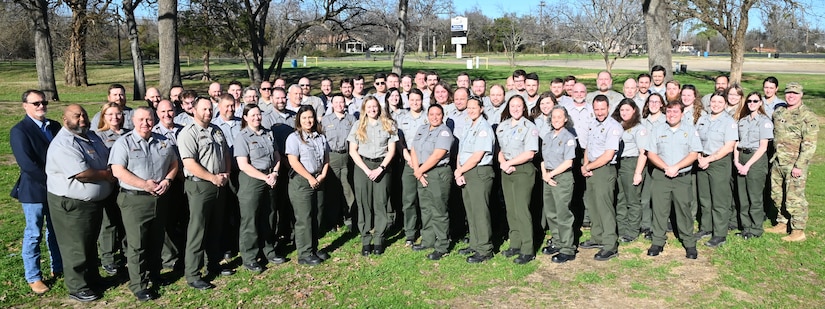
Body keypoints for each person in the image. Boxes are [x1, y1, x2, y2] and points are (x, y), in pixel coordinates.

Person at [46, 104, 115, 302]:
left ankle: (92, 278)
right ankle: (78, 286)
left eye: (84, 114)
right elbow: (82, 174)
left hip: (92, 203)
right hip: (72, 204)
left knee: (89, 243)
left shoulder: (90, 136)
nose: (82, 119)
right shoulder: (64, 144)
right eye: (77, 116)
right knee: (75, 245)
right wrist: (107, 175)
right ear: (65, 119)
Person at [109, 107, 178, 301]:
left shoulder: (163, 141)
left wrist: (167, 181)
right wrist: (144, 185)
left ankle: (154, 274)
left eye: (148, 119)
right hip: (135, 200)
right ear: (132, 120)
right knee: (137, 244)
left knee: (156, 239)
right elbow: (118, 171)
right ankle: (139, 284)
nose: (145, 123)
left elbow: (174, 164)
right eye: (141, 120)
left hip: (159, 197)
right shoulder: (124, 143)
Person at [177, 97, 235, 291]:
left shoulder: (217, 130)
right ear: (194, 111)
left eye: (210, 109)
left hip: (219, 184)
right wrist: (212, 177)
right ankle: (193, 273)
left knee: (215, 227)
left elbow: (226, 153)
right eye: (204, 109)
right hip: (200, 186)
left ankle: (213, 264)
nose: (208, 112)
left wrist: (226, 173)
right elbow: (189, 163)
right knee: (197, 230)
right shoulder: (188, 133)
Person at [11, 90, 63, 295]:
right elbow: (27, 164)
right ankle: (34, 277)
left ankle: (58, 267)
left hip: (56, 188)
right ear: (25, 106)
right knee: (34, 233)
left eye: (43, 102)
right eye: (36, 103)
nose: (41, 106)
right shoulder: (19, 131)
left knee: (55, 230)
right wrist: (52, 180)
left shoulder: (55, 126)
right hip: (34, 190)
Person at [644, 102, 702, 260]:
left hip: (681, 178)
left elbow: (693, 154)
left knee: (684, 210)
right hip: (661, 176)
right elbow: (651, 153)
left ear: (682, 114)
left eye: (675, 112)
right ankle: (657, 242)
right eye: (669, 112)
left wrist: (676, 167)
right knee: (659, 210)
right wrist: (666, 167)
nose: (671, 115)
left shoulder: (690, 130)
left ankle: (689, 243)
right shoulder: (657, 130)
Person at [233, 104, 287, 273]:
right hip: (252, 181)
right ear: (245, 117)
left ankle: (268, 251)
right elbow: (243, 165)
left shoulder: (268, 133)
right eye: (253, 115)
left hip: (271, 178)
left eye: (258, 114)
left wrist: (275, 173)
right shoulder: (242, 137)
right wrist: (265, 177)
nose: (257, 118)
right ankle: (249, 257)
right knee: (251, 219)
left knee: (269, 216)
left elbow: (277, 156)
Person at [766, 82, 818, 242]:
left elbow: (809, 145)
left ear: (801, 95)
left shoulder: (807, 116)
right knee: (777, 195)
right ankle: (783, 222)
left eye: (795, 93)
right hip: (778, 161)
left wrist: (799, 166)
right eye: (788, 93)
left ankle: (798, 229)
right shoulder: (779, 111)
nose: (791, 96)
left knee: (794, 197)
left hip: (794, 164)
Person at [348, 96, 398, 256]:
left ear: (379, 107)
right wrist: (366, 169)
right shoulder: (358, 125)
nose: (372, 109)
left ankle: (379, 239)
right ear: (364, 109)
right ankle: (365, 240)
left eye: (374, 106)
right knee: (364, 203)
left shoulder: (388, 124)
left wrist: (381, 168)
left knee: (381, 202)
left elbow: (392, 150)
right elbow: (352, 151)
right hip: (363, 167)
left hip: (382, 167)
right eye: (368, 107)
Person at [285, 105, 331, 265]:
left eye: (310, 117)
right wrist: (309, 177)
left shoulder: (320, 136)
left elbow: (326, 158)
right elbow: (293, 161)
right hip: (302, 181)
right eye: (304, 118)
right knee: (304, 217)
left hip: (319, 179)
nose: (308, 120)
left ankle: (313, 247)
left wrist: (323, 174)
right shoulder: (294, 138)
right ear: (299, 119)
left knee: (317, 215)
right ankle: (304, 253)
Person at [496, 95, 539, 264]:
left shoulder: (529, 127)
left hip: (523, 171)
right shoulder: (502, 126)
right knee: (511, 209)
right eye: (512, 106)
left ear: (524, 108)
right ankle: (515, 244)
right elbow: (500, 149)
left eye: (519, 106)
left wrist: (510, 163)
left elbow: (529, 153)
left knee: (522, 209)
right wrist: (503, 163)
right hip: (506, 170)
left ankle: (528, 249)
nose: (515, 109)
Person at [579, 95, 622, 261]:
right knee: (593, 205)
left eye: (602, 109)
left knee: (604, 208)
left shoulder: (613, 126)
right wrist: (585, 164)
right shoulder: (593, 124)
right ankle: (597, 237)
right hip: (590, 169)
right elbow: (588, 147)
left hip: (604, 170)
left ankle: (610, 244)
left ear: (608, 108)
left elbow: (608, 155)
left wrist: (588, 167)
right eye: (596, 109)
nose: (599, 112)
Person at [453, 96, 495, 263]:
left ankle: (485, 249)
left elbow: (478, 156)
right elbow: (462, 151)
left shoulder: (483, 128)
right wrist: (459, 171)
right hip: (466, 171)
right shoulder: (469, 126)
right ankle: (475, 244)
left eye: (474, 107)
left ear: (481, 109)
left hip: (479, 172)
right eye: (468, 107)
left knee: (480, 211)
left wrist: (460, 170)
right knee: (470, 211)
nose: (471, 110)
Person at [410, 104, 454, 261]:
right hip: (421, 172)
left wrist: (420, 171)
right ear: (427, 115)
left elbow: (437, 155)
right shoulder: (422, 129)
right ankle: (428, 240)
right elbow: (414, 149)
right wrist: (417, 170)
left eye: (438, 114)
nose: (434, 117)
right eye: (431, 114)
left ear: (443, 115)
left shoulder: (444, 132)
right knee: (426, 208)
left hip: (437, 173)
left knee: (438, 209)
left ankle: (442, 245)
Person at [695, 91, 738, 248]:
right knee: (705, 198)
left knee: (719, 200)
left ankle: (720, 233)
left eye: (720, 102)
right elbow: (696, 139)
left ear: (725, 104)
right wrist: (700, 157)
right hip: (702, 161)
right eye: (714, 101)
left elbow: (729, 146)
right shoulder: (703, 118)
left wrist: (709, 159)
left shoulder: (729, 122)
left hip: (718, 162)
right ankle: (706, 228)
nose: (716, 104)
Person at [539, 106, 578, 263]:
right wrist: (545, 175)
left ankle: (567, 248)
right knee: (551, 212)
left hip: (561, 177)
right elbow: (543, 159)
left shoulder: (568, 138)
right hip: (548, 177)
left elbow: (568, 162)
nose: (556, 120)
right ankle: (557, 242)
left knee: (563, 213)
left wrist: (551, 174)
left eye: (559, 117)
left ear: (565, 119)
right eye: (553, 117)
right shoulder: (547, 137)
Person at [94, 102, 129, 276]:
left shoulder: (128, 134)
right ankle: (108, 258)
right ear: (103, 117)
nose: (115, 117)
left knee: (125, 221)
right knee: (109, 223)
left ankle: (126, 253)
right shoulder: (98, 137)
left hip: (127, 185)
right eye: (110, 114)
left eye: (118, 114)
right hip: (109, 185)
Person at [152, 100, 186, 270]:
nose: (167, 115)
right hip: (168, 181)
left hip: (186, 181)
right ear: (157, 113)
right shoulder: (153, 133)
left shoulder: (184, 129)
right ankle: (170, 258)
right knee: (168, 222)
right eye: (163, 111)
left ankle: (187, 253)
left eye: (170, 111)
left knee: (187, 218)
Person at [734, 92, 773, 239]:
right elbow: (737, 142)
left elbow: (763, 147)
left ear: (760, 103)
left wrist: (747, 165)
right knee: (743, 197)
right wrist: (736, 161)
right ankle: (746, 227)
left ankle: (756, 229)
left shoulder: (764, 121)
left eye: (755, 101)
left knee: (754, 196)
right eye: (749, 101)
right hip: (742, 156)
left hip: (755, 159)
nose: (752, 103)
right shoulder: (742, 121)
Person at [611, 99, 648, 243]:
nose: (624, 113)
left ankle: (632, 231)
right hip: (619, 163)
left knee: (632, 199)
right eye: (622, 110)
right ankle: (621, 228)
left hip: (632, 163)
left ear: (634, 111)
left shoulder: (639, 128)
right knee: (620, 198)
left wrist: (638, 172)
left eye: (627, 110)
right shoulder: (618, 126)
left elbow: (643, 152)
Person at [396, 89, 429, 245]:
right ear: (408, 101)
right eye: (412, 100)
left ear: (422, 100)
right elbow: (399, 142)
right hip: (408, 160)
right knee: (409, 199)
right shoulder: (402, 118)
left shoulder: (428, 117)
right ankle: (410, 232)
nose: (415, 102)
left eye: (418, 100)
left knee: (425, 198)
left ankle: (427, 229)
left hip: (425, 160)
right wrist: (408, 157)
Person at [322, 95, 357, 231]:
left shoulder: (351, 119)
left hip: (348, 155)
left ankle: (350, 218)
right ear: (331, 104)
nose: (339, 105)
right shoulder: (326, 120)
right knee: (333, 189)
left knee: (348, 188)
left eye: (341, 102)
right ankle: (333, 221)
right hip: (332, 156)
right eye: (336, 102)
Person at [639, 93, 666, 239]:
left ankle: (657, 226)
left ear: (662, 104)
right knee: (645, 197)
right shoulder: (643, 121)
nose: (654, 104)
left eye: (657, 102)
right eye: (651, 102)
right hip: (645, 162)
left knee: (658, 198)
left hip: (660, 162)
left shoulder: (666, 121)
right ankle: (645, 224)